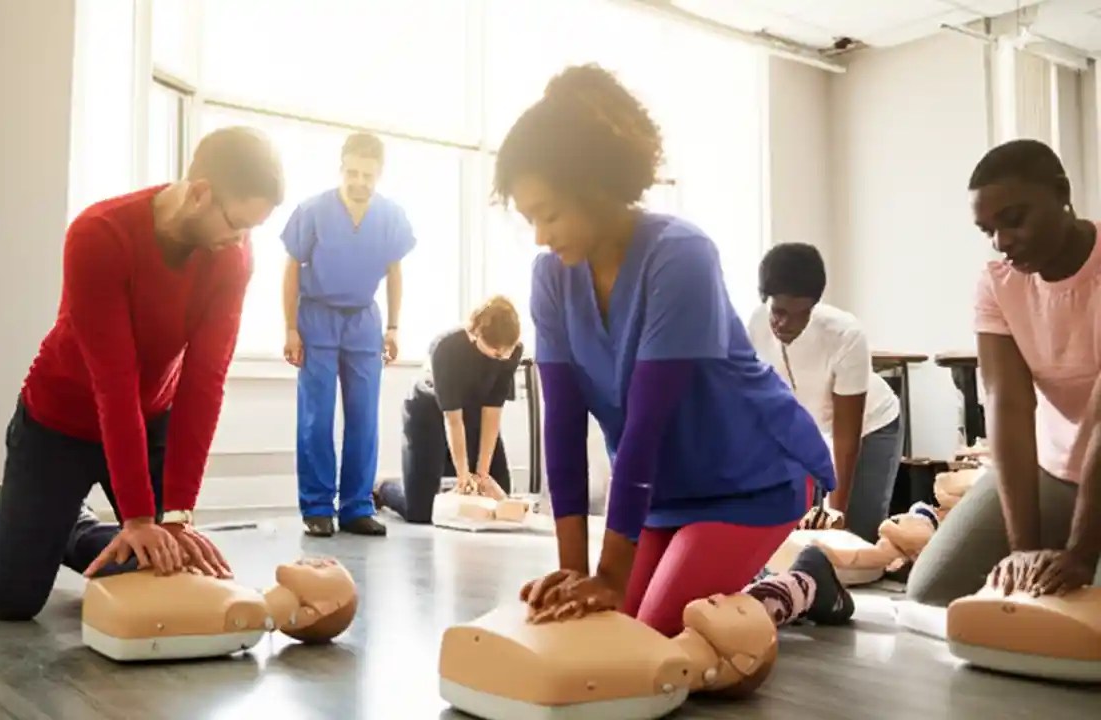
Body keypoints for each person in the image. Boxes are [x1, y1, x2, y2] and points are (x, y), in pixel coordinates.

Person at [495, 64, 854, 637]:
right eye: (530, 218)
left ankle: (800, 584)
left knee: (662, 638)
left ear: (594, 186)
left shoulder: (680, 255)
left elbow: (645, 426)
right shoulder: (551, 278)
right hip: (665, 492)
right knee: (608, 627)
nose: (540, 235)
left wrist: (610, 576)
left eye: (550, 213)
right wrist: (573, 576)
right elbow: (562, 427)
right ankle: (752, 580)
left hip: (754, 479)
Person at [0, 126, 283, 621]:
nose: (241, 241)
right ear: (200, 193)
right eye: (237, 224)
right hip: (58, 423)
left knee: (170, 568)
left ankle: (68, 527)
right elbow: (114, 380)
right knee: (15, 600)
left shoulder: (232, 258)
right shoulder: (99, 234)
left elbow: (204, 383)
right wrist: (135, 517)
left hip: (149, 419)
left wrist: (174, 518)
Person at [907, 138, 1101, 605]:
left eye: (1014, 219)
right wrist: (1024, 553)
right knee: (933, 589)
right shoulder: (998, 283)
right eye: (987, 230)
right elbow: (1007, 405)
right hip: (1057, 471)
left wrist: (1079, 551)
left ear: (1061, 192)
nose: (1001, 241)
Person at [281, 132, 417, 537]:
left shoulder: (391, 216)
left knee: (364, 419)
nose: (360, 181)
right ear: (341, 168)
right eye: (353, 172)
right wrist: (290, 327)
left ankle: (356, 506)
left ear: (380, 175)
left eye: (368, 175)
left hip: (363, 320)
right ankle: (318, 507)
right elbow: (291, 270)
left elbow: (395, 272)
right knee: (315, 418)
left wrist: (393, 326)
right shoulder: (312, 211)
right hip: (317, 317)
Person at [747, 243, 904, 543]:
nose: (785, 323)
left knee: (853, 538)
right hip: (808, 429)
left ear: (813, 306)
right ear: (766, 299)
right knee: (795, 533)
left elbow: (846, 438)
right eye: (778, 311)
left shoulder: (845, 335)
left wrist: (837, 517)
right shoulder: (755, 324)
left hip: (871, 425)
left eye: (799, 314)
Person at [375, 296, 524, 524]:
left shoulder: (510, 351)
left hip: (473, 409)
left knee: (499, 499)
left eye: (508, 352)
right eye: (497, 353)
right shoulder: (447, 348)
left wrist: (482, 474)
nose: (504, 358)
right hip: (428, 412)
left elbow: (492, 412)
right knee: (421, 513)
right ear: (475, 335)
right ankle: (383, 488)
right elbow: (453, 420)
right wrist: (464, 475)